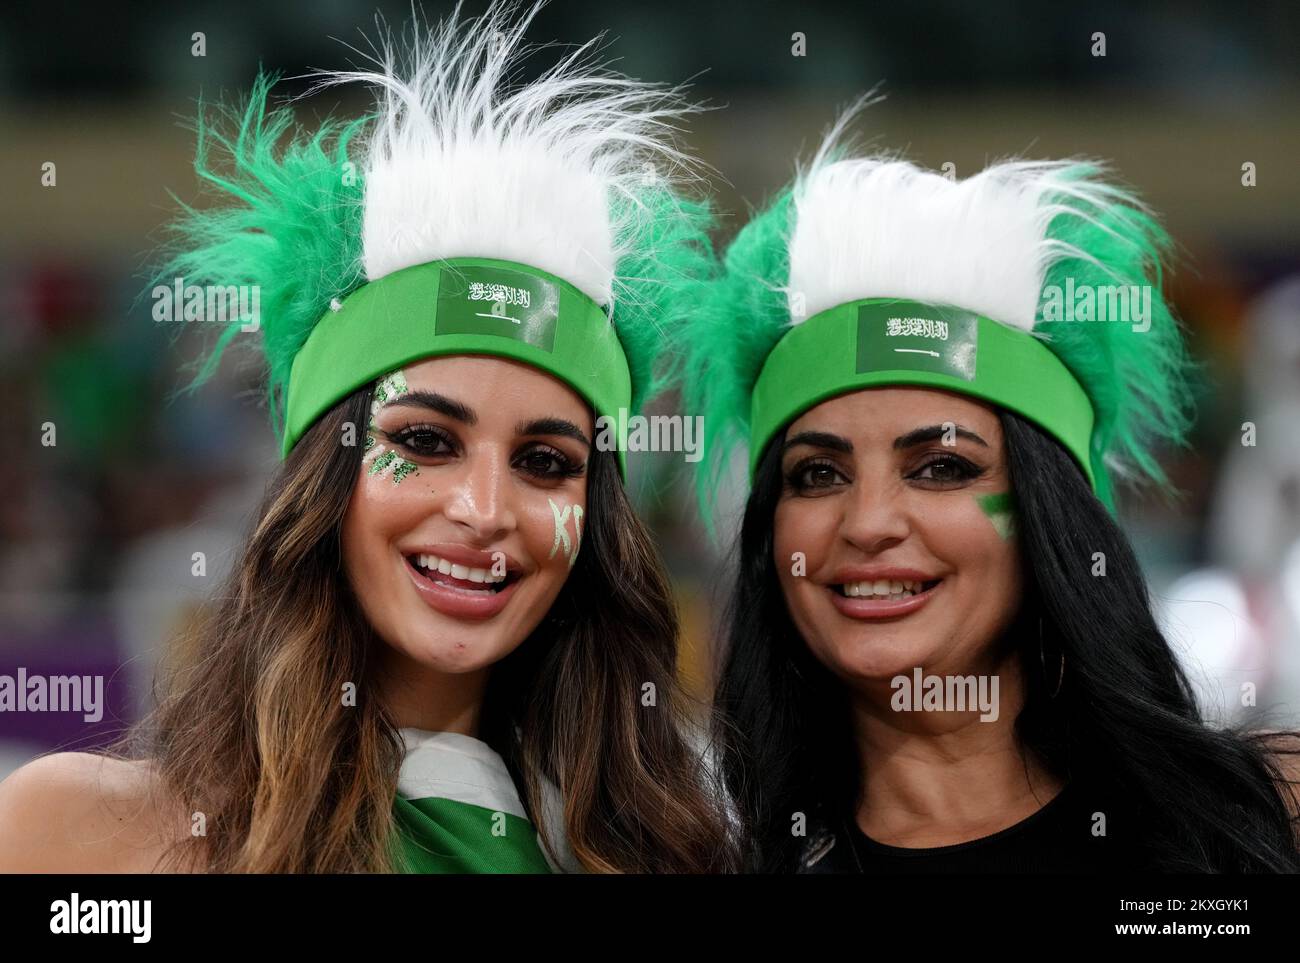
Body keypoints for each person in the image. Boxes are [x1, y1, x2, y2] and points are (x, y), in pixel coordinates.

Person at [0, 1, 733, 874]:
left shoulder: (672, 852)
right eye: (424, 440)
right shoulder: (77, 834)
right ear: (324, 476)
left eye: (545, 462)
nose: (485, 508)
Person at [682, 101, 1300, 873]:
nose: (868, 521)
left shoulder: (1260, 824)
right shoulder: (705, 858)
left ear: (1052, 517)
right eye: (819, 473)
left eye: (942, 467)